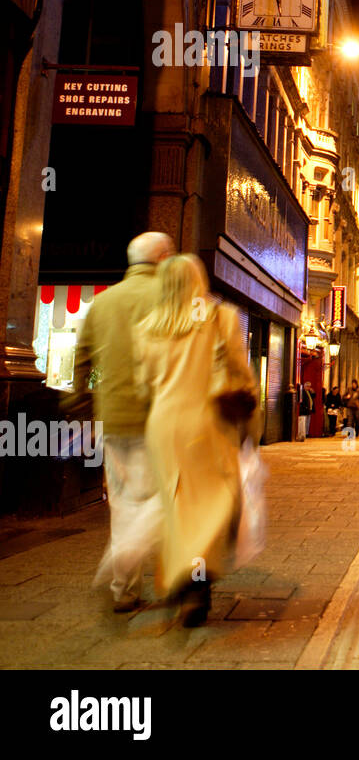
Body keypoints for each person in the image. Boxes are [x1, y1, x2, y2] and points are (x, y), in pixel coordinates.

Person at [136, 254, 260, 628]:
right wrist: (251, 416)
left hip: (163, 424)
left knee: (176, 508)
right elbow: (238, 370)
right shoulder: (220, 317)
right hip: (207, 422)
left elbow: (144, 385)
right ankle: (196, 585)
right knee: (213, 505)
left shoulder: (148, 326)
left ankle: (179, 576)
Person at [70, 231, 175, 613]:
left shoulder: (103, 301)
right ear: (163, 258)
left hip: (112, 418)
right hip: (160, 418)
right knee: (163, 500)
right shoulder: (171, 298)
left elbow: (82, 356)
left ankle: (124, 589)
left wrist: (78, 396)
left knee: (124, 502)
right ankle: (155, 567)